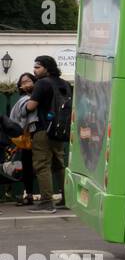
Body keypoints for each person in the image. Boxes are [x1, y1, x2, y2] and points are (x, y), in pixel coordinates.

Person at [24, 55, 70, 212]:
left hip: (43, 129)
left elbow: (30, 106)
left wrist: (28, 100)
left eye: (37, 67)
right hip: (59, 130)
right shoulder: (64, 83)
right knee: (59, 165)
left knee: (42, 165)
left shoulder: (42, 83)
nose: (34, 70)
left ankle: (46, 202)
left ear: (47, 68)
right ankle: (66, 199)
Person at [7, 72, 38, 204]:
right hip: (26, 137)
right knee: (27, 166)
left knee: (42, 166)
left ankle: (44, 195)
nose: (25, 84)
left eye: (28, 81)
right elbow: (19, 117)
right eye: (22, 82)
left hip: (38, 134)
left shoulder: (37, 97)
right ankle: (29, 194)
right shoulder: (23, 100)